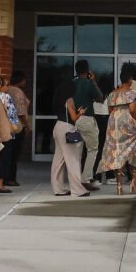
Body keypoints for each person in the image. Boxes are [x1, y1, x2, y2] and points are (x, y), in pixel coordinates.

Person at [97, 63, 136, 194]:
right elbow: (133, 110)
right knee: (132, 152)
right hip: (129, 124)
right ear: (130, 80)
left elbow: (110, 109)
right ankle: (133, 183)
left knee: (117, 153)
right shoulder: (132, 93)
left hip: (114, 124)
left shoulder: (112, 94)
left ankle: (118, 185)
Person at [49, 68, 91, 198]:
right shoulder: (69, 99)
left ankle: (58, 188)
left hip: (57, 127)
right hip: (67, 128)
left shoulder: (58, 98)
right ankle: (78, 190)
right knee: (72, 160)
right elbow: (74, 118)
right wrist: (81, 113)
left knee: (58, 160)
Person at [70, 60, 103, 188]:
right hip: (87, 118)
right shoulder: (89, 83)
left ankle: (74, 178)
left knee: (76, 151)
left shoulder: (71, 84)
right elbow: (100, 98)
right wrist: (93, 81)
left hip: (73, 120)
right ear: (87, 70)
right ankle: (86, 178)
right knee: (92, 149)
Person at [0, 74, 24, 189]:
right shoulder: (5, 97)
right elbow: (12, 114)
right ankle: (0, 184)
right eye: (6, 85)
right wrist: (17, 126)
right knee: (5, 158)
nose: (8, 88)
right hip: (6, 132)